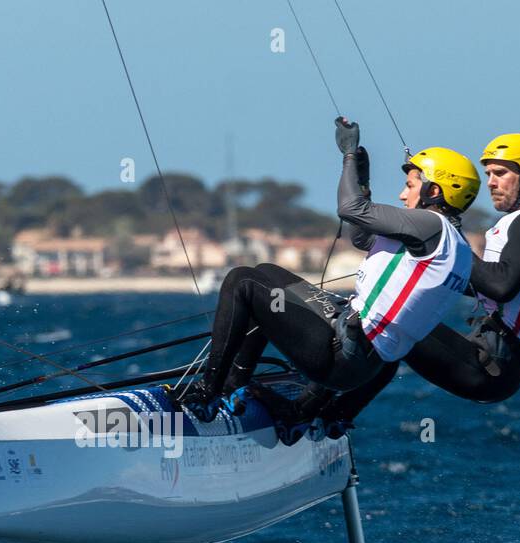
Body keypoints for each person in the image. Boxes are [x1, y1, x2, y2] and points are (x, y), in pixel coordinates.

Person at [186, 117, 479, 425]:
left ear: (434, 192)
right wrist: (362, 179)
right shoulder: (454, 245)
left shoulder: (430, 226)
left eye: (410, 186)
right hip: (365, 364)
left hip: (341, 357)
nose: (402, 196)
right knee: (266, 275)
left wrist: (349, 155)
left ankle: (209, 392)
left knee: (241, 281)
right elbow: (362, 235)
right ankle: (238, 385)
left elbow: (350, 210)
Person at [400, 133, 520, 402]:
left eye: (500, 173)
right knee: (389, 325)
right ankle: (332, 421)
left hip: (489, 363)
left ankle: (319, 412)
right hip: (496, 366)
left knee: (384, 321)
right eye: (488, 174)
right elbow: (487, 285)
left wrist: (449, 244)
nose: (491, 183)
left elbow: (499, 286)